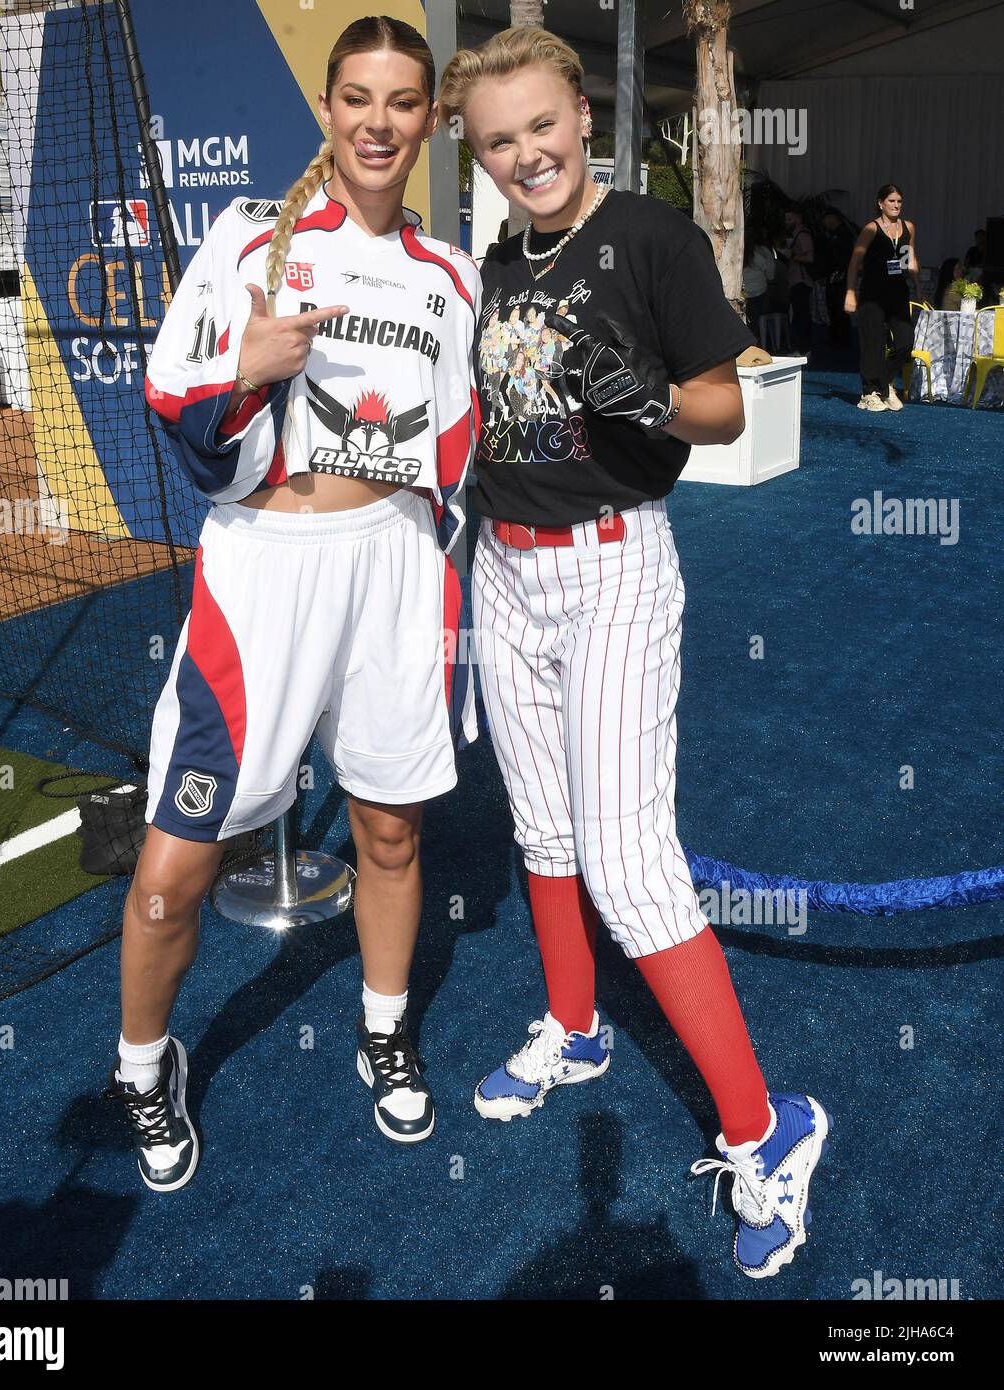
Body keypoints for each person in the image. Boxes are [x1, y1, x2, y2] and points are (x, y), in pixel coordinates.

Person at [439, 25, 831, 1281]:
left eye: (540, 125)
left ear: (582, 117)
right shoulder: (499, 264)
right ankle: (572, 1024)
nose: (524, 153)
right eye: (498, 141)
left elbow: (728, 401)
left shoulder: (651, 237)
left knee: (629, 863)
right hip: (504, 568)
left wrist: (650, 397)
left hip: (612, 567)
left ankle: (768, 1130)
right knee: (542, 832)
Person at [107, 15, 481, 1188]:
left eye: (403, 103)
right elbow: (173, 394)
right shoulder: (244, 241)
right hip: (263, 568)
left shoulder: (450, 275)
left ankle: (381, 1030)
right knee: (174, 863)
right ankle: (142, 1066)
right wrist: (245, 374)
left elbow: (459, 441)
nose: (378, 122)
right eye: (357, 98)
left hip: (391, 561)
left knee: (387, 825)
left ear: (429, 122)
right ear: (326, 109)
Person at [844, 184, 918, 411]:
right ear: (881, 203)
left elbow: (910, 257)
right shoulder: (871, 229)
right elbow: (855, 261)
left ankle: (883, 383)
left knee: (906, 342)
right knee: (873, 343)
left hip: (898, 292)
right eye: (891, 201)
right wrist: (850, 292)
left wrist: (918, 286)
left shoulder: (908, 227)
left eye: (899, 201)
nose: (896, 205)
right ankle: (869, 393)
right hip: (872, 293)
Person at [783, 204, 816, 357]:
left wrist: (791, 256)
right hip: (796, 280)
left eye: (790, 218)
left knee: (801, 316)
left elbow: (810, 257)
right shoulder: (796, 234)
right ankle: (801, 348)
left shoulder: (802, 235)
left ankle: (803, 349)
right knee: (798, 315)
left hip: (801, 281)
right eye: (786, 219)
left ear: (798, 217)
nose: (787, 221)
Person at [821, 207, 853, 348]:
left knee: (838, 308)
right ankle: (836, 337)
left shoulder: (844, 234)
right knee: (833, 308)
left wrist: (839, 271)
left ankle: (841, 339)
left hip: (840, 276)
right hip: (834, 275)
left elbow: (845, 257)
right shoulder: (832, 234)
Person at [742, 227, 776, 341]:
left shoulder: (737, 250)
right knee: (755, 321)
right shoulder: (761, 252)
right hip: (759, 292)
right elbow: (770, 275)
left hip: (742, 292)